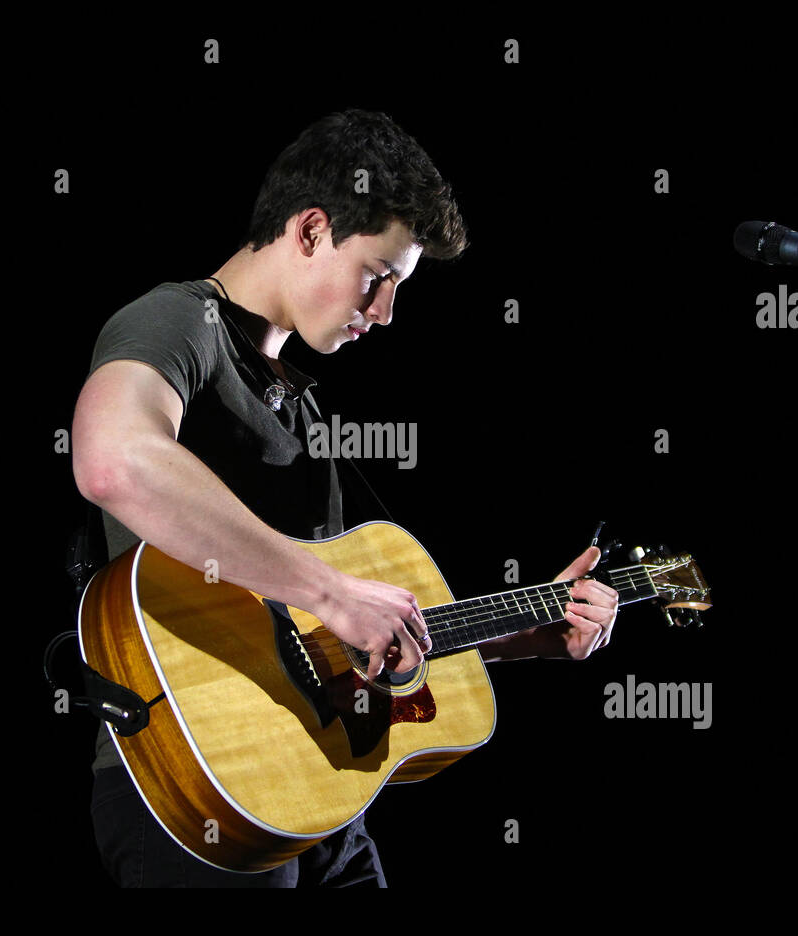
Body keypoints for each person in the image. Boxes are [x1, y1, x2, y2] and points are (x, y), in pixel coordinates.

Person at [71, 108, 618, 887]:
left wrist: (519, 634)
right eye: (378, 277)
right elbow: (113, 461)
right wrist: (330, 589)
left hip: (318, 791)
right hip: (200, 788)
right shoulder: (175, 323)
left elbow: (332, 640)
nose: (385, 312)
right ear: (310, 229)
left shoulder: (300, 402)